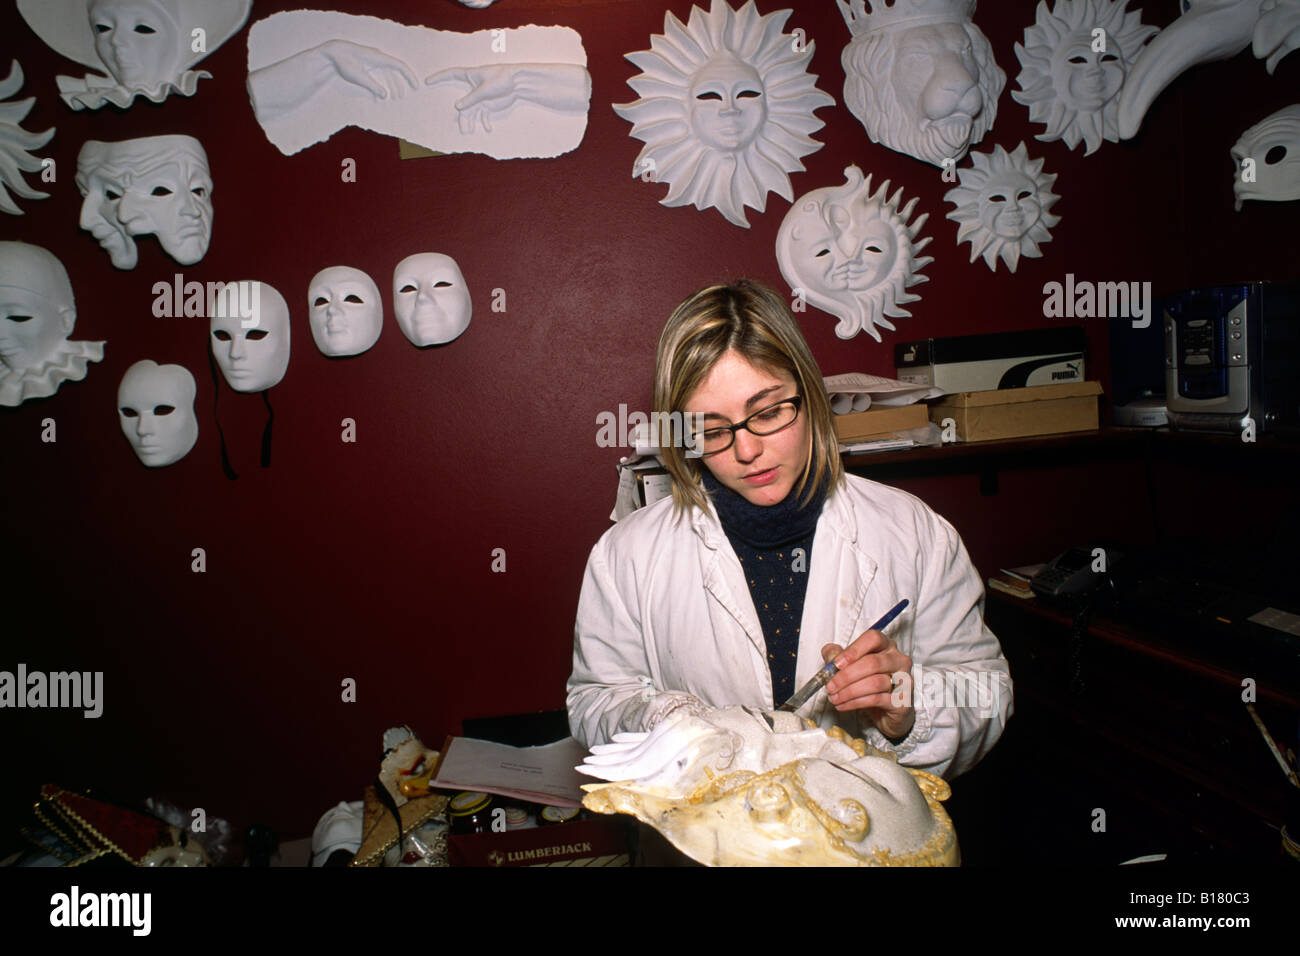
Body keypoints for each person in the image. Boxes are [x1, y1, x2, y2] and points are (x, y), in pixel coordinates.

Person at [566, 280, 1012, 780]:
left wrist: (906, 707)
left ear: (810, 395)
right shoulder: (626, 554)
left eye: (769, 412)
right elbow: (594, 700)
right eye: (711, 430)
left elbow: (988, 691)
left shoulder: (915, 533)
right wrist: (662, 722)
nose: (747, 450)